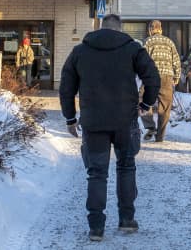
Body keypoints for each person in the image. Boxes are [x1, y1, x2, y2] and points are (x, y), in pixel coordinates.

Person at [59, 14, 160, 242]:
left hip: (93, 122)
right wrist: (145, 104)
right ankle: (126, 220)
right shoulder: (132, 49)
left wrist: (70, 118)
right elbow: (153, 77)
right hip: (126, 121)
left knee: (96, 173)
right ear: (120, 29)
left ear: (100, 28)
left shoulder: (80, 51)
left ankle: (96, 227)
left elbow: (66, 87)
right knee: (126, 167)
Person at [141, 20, 181, 142]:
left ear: (150, 30)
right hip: (167, 78)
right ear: (161, 29)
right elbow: (176, 60)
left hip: (151, 77)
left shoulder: (147, 41)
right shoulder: (170, 42)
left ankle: (150, 126)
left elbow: (142, 60)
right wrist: (177, 76)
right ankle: (160, 136)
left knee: (142, 100)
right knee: (165, 107)